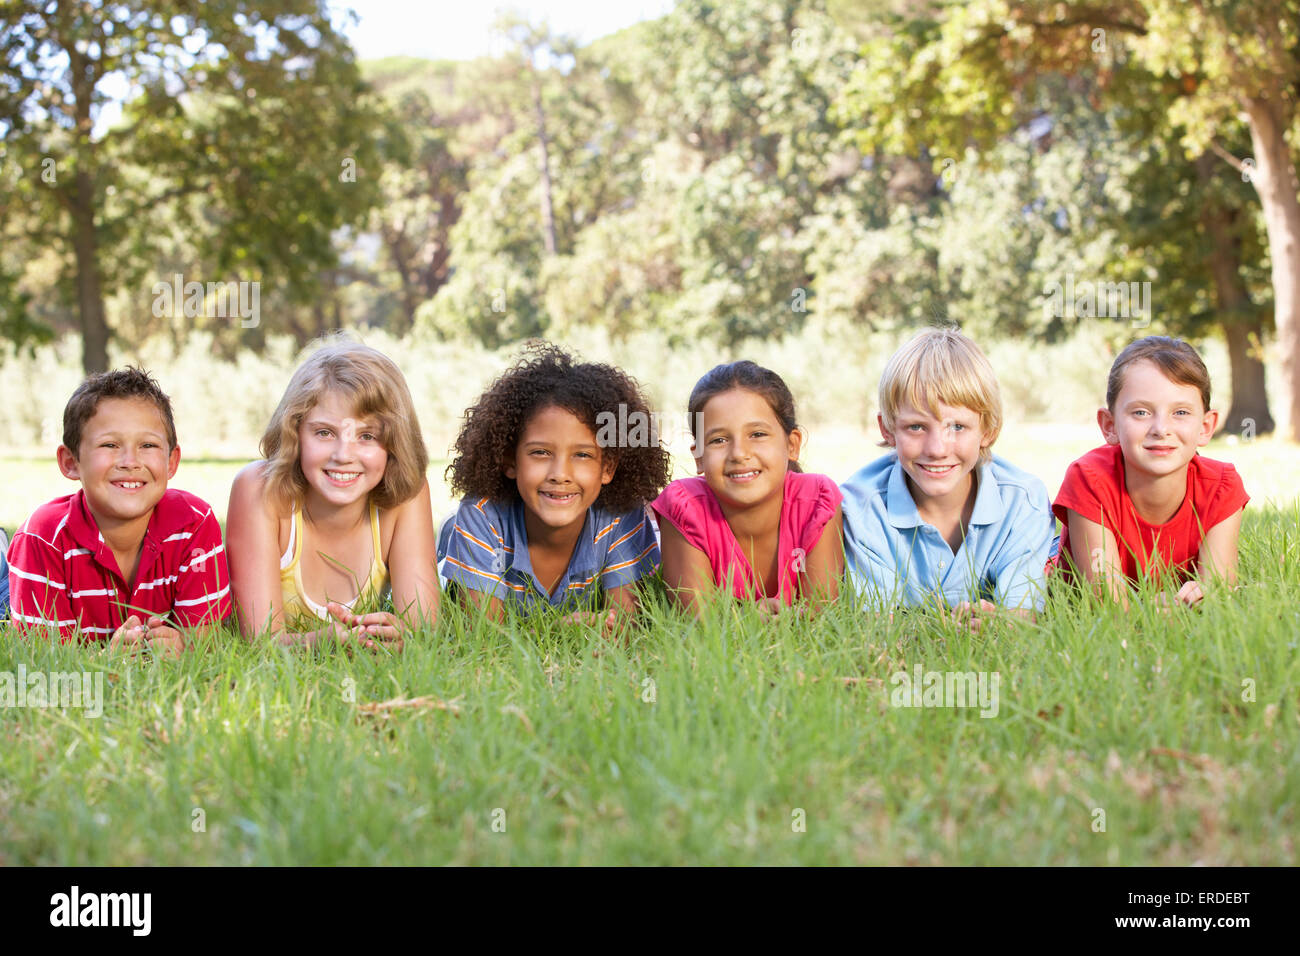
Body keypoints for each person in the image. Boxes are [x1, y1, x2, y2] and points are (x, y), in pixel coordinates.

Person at [437, 343, 667, 631]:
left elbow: (623, 626)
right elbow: (480, 637)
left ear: (607, 467)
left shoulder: (621, 515)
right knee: (452, 530)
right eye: (540, 453)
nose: (560, 474)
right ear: (510, 460)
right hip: (462, 541)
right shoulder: (482, 516)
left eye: (582, 455)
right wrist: (556, 632)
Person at [226, 339, 438, 649]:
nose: (343, 455)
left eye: (367, 436)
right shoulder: (260, 488)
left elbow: (423, 631)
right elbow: (259, 640)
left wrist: (400, 639)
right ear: (295, 432)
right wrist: (320, 642)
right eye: (324, 432)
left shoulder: (406, 494)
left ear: (394, 444)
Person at [840, 328, 1054, 627]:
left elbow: (1023, 616)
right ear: (887, 428)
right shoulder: (861, 508)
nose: (937, 449)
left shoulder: (1023, 501)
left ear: (988, 430)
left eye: (957, 427)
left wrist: (1001, 624)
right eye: (916, 427)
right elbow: (876, 626)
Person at [7, 367, 231, 652]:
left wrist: (183, 646)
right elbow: (44, 658)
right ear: (70, 462)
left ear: (171, 462)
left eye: (147, 445)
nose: (130, 461)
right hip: (13, 590)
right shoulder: (41, 538)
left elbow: (205, 640)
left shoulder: (194, 524)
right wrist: (107, 659)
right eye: (110, 444)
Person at [1052, 335, 1248, 607]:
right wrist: (1157, 614)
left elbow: (1219, 589)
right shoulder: (1089, 479)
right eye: (1141, 413)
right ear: (1109, 425)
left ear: (1205, 426)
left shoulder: (1221, 486)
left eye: (1180, 412)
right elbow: (1107, 604)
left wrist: (1203, 597)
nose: (1160, 428)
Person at [652, 361, 843, 616]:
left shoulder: (817, 502)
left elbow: (821, 615)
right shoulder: (684, 508)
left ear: (792, 445)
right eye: (718, 440)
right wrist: (754, 619)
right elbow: (698, 622)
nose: (739, 454)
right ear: (698, 456)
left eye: (758, 434)